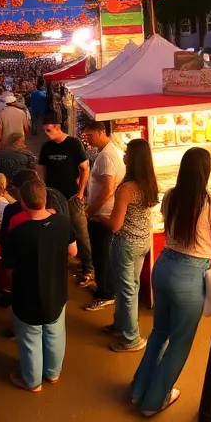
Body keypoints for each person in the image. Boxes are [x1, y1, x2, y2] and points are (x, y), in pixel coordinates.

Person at [131, 146, 211, 416]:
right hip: (190, 277)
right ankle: (154, 401)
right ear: (206, 172)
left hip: (163, 266)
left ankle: (138, 391)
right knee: (179, 342)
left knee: (158, 333)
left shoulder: (170, 197)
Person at [2, 173, 75, 392]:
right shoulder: (62, 222)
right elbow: (73, 250)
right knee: (55, 333)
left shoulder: (20, 232)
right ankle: (53, 373)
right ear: (45, 198)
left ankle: (32, 381)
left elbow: (10, 264)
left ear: (22, 202)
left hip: (28, 295)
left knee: (30, 340)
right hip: (56, 291)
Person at [99, 138, 162, 353]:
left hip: (126, 244)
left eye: (127, 153)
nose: (124, 156)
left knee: (126, 290)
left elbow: (115, 225)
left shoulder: (127, 188)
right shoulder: (150, 182)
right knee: (131, 287)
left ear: (134, 159)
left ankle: (132, 338)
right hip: (144, 241)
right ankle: (121, 325)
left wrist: (99, 218)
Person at [36, 111, 92, 283]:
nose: (46, 133)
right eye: (45, 130)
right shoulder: (47, 148)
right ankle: (63, 265)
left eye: (48, 130)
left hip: (72, 197)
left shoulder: (74, 144)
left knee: (81, 232)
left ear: (57, 127)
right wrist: (44, 189)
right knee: (57, 232)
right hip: (53, 198)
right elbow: (41, 168)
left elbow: (85, 169)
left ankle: (88, 267)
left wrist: (81, 191)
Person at [83, 121, 126, 310]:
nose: (87, 138)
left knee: (102, 257)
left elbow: (108, 188)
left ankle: (106, 293)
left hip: (103, 215)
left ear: (102, 132)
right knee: (102, 255)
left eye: (90, 135)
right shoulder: (107, 152)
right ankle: (106, 289)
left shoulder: (107, 156)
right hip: (103, 213)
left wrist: (90, 210)